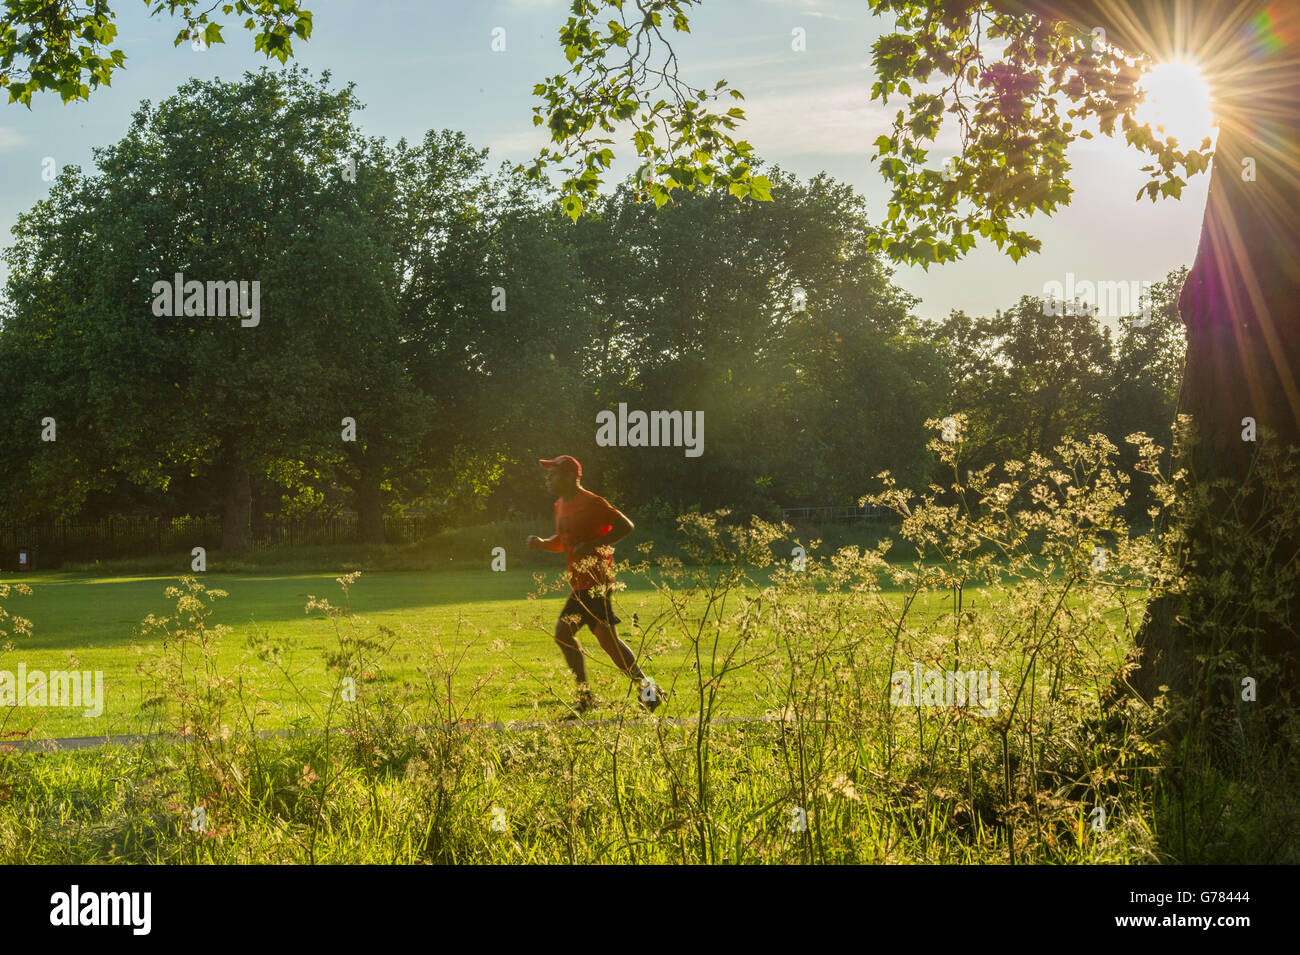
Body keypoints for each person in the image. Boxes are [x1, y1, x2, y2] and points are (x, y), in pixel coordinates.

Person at [526, 455, 662, 714]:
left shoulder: (591, 502)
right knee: (608, 641)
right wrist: (544, 543)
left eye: (552, 473)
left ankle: (588, 699)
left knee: (565, 634)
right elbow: (565, 539)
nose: (548, 478)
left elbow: (626, 525)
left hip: (596, 581)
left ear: (569, 476)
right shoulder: (560, 506)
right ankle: (649, 693)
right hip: (580, 582)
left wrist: (592, 545)